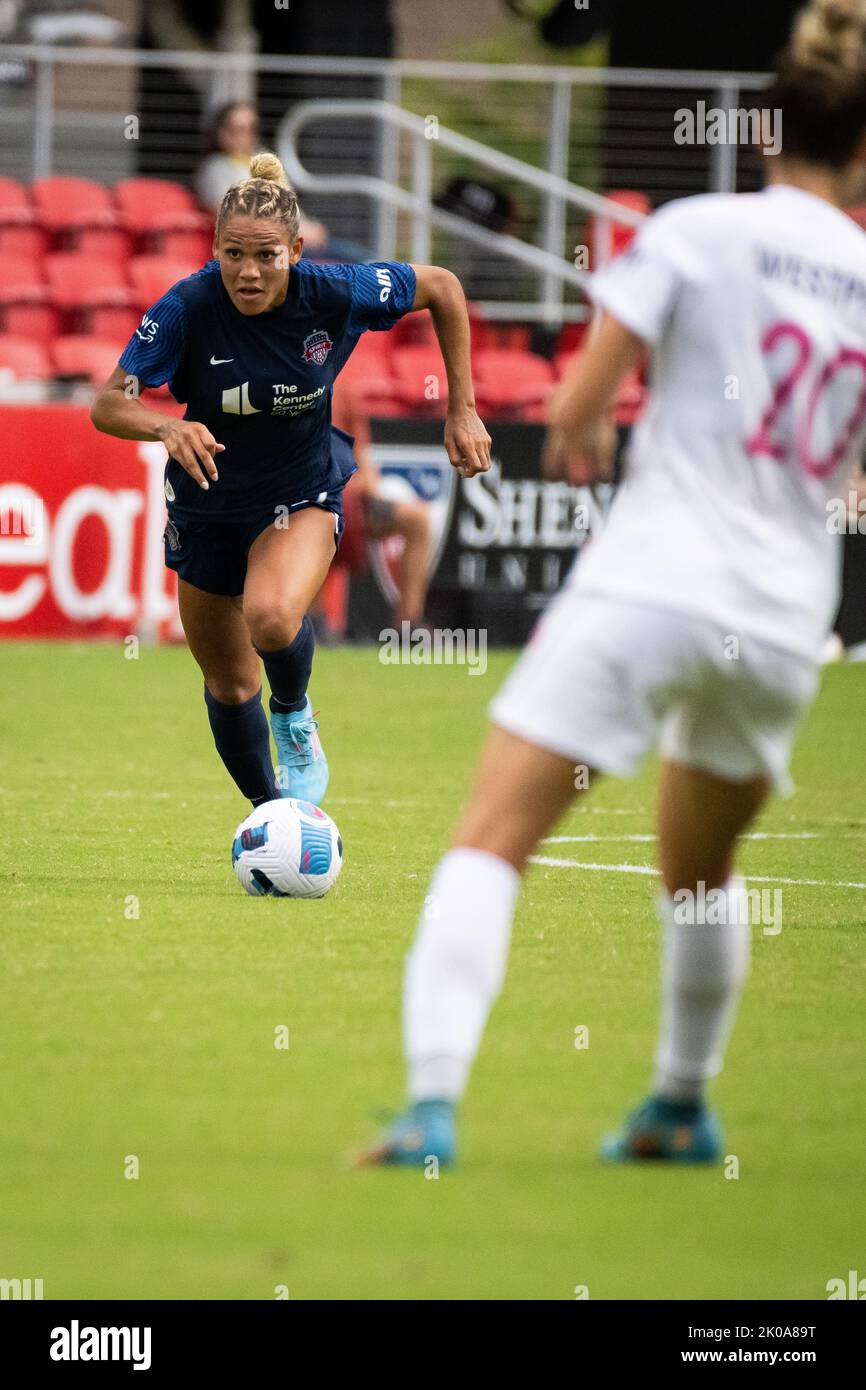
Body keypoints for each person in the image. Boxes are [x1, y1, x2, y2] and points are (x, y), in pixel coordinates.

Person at [357, 0, 866, 1166]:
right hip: (783, 617)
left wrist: (582, 429)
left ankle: (432, 1107)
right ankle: (679, 1102)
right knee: (698, 873)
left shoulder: (692, 230)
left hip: (653, 578)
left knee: (490, 838)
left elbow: (580, 409)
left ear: (761, 131)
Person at [91, 151, 491, 809]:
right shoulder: (189, 305)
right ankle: (276, 819)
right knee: (226, 682)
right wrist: (165, 427)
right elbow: (110, 403)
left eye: (266, 256)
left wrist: (463, 408)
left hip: (299, 490)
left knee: (272, 620)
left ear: (296, 250)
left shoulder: (336, 291)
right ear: (213, 248)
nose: (247, 272)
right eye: (232, 254)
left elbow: (443, 286)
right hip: (207, 501)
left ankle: (296, 713)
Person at [195, 102, 368, 263]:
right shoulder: (215, 168)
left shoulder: (263, 157)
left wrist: (308, 226)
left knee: (369, 261)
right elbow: (231, 216)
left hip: (297, 237)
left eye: (250, 129)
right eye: (236, 128)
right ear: (220, 130)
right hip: (269, 248)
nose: (243, 135)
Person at [331, 376, 434, 630]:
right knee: (313, 522)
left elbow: (362, 455)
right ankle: (316, 621)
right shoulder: (290, 385)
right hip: (307, 500)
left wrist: (366, 486)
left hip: (351, 499)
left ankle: (408, 624)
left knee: (416, 520)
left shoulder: (344, 389)